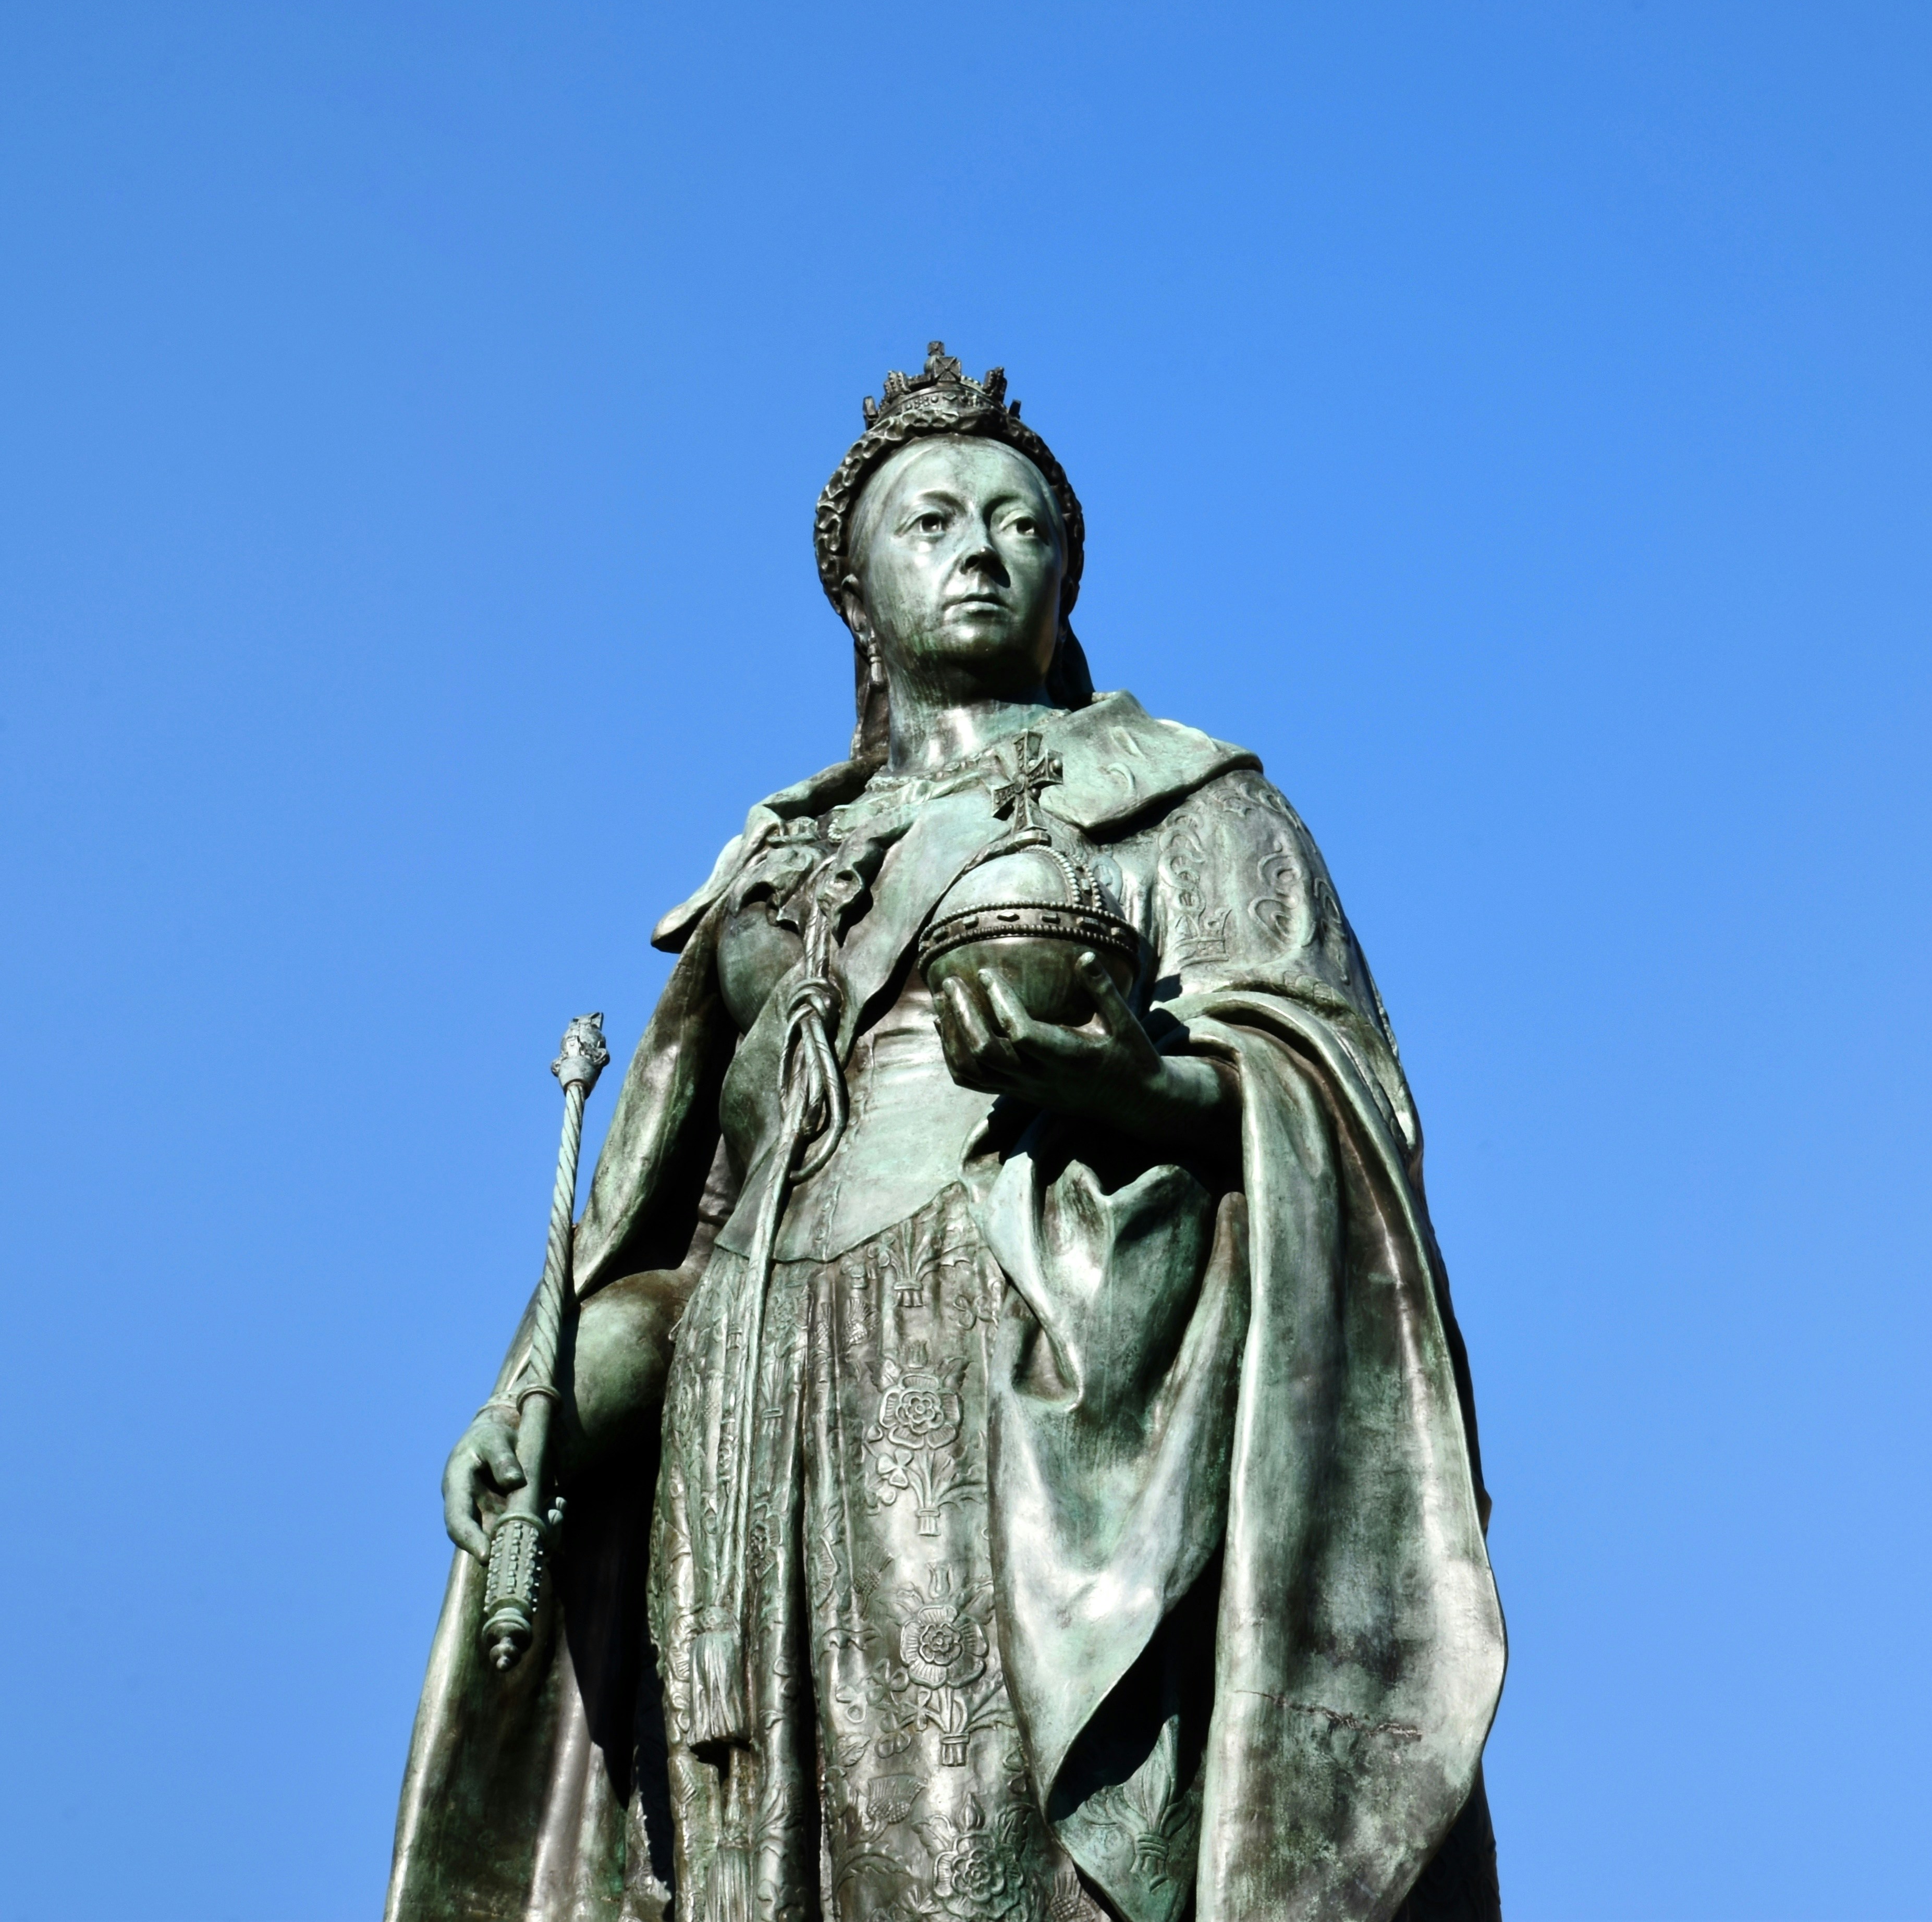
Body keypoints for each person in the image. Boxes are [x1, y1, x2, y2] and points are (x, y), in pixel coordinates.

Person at [385, 346, 1504, 1922]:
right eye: (933, 523)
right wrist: (554, 1395)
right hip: (751, 1450)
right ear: (856, 595)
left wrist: (1124, 1082)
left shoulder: (1186, 808)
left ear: (1065, 574)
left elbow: (1331, 1096)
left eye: (1019, 523)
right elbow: (681, 1254)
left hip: (1019, 1391)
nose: (981, 548)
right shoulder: (764, 890)